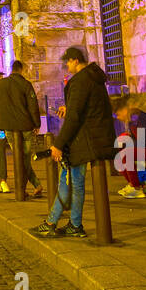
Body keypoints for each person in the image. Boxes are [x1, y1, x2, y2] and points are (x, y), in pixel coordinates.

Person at [31, 48, 117, 239]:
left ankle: (51, 222)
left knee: (66, 179)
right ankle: (75, 224)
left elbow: (76, 117)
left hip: (83, 138)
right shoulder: (94, 78)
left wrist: (59, 144)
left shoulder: (79, 80)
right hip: (97, 136)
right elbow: (86, 107)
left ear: (75, 60)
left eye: (68, 63)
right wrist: (68, 108)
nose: (67, 67)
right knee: (75, 182)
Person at [0, 62, 43, 198]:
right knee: (24, 159)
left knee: (20, 158)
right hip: (25, 126)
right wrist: (37, 124)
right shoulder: (26, 85)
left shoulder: (0, 85)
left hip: (7, 127)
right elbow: (33, 106)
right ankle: (28, 187)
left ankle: (30, 187)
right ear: (21, 70)